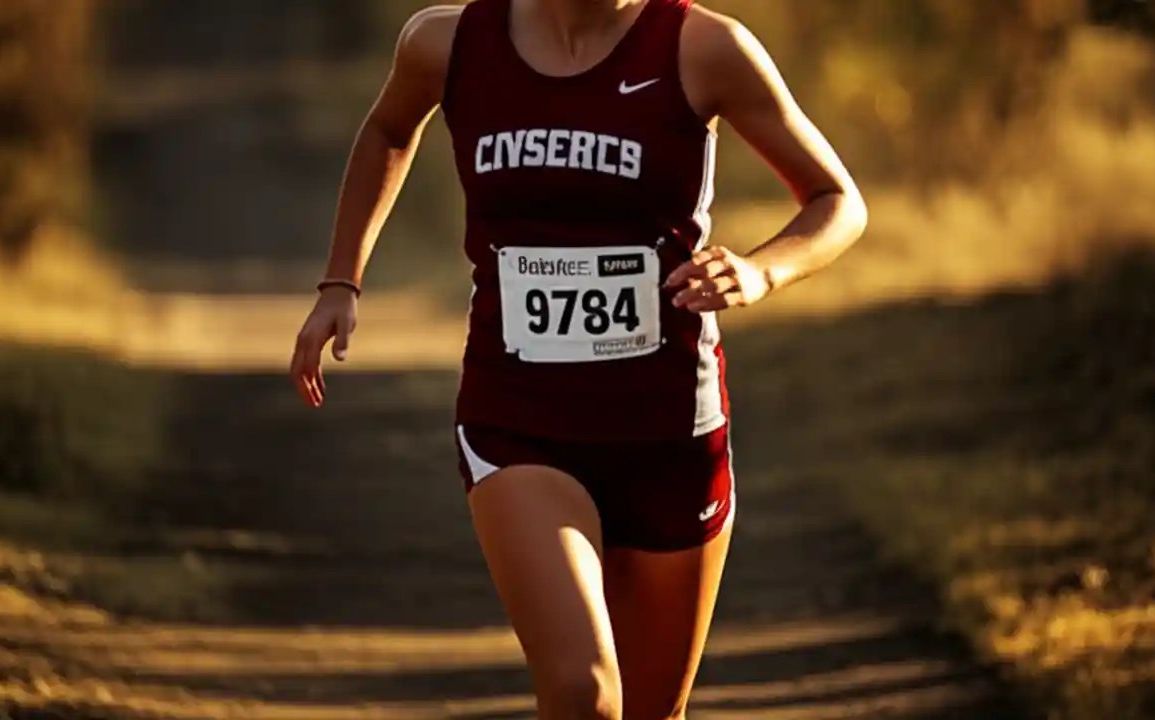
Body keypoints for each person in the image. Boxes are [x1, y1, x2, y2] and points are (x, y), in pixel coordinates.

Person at [289, 1, 867, 717]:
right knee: (583, 693)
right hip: (519, 423)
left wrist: (760, 272)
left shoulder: (703, 48)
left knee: (653, 711)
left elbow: (837, 199)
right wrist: (341, 280)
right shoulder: (448, 42)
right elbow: (388, 128)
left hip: (670, 433)